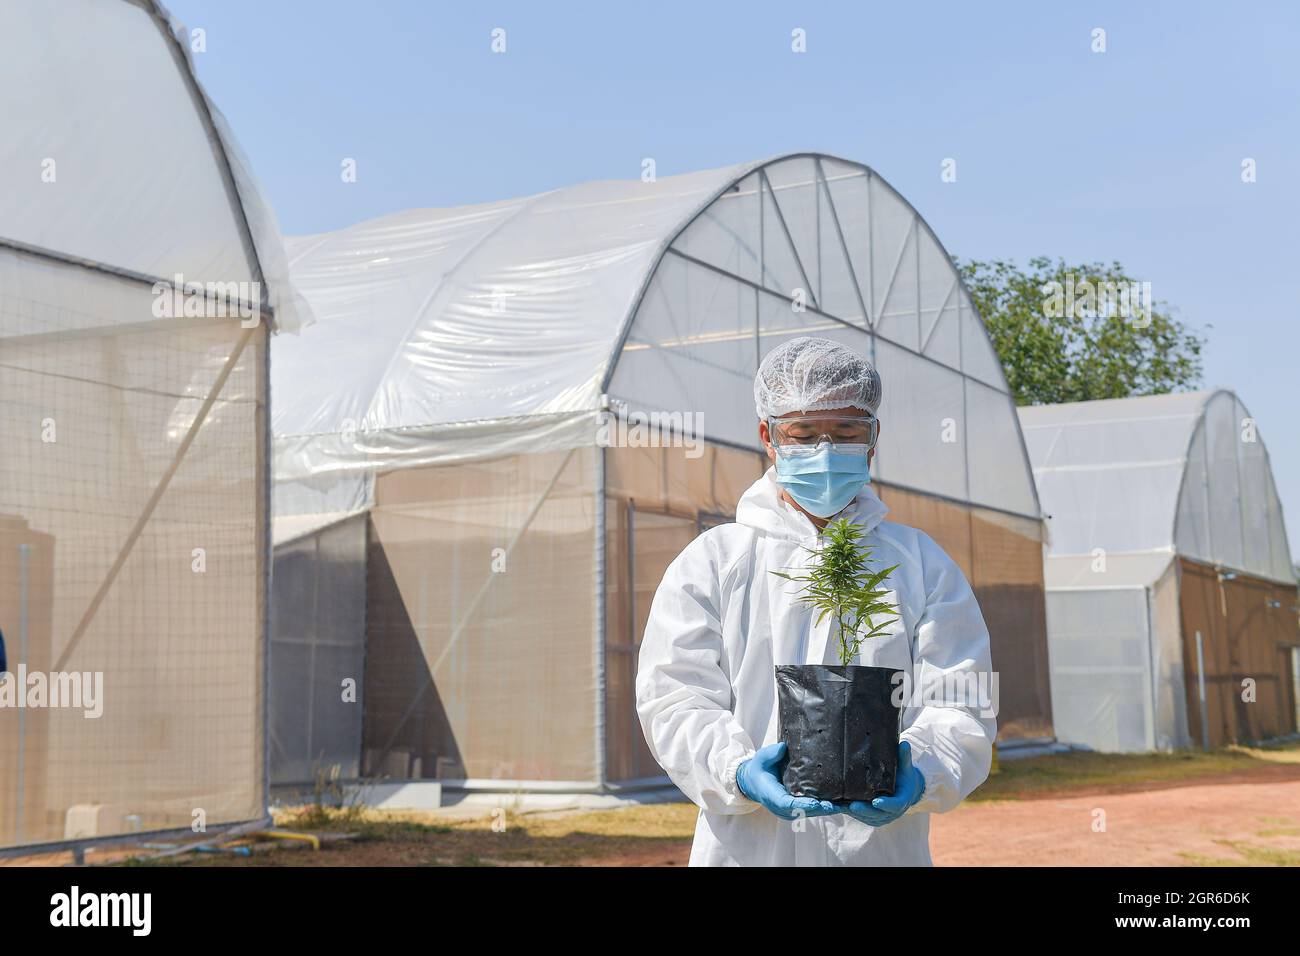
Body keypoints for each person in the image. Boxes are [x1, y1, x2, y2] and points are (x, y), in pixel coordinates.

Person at [636, 335, 996, 866]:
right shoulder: (714, 562)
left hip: (880, 852)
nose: (825, 451)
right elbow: (675, 698)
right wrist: (738, 770)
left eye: (846, 432)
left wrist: (919, 773)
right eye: (803, 433)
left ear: (873, 439)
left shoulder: (920, 565)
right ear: (769, 436)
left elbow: (960, 701)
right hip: (748, 850)